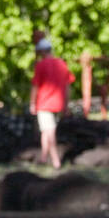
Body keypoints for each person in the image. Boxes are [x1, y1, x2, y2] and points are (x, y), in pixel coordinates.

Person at [29, 37, 74, 169]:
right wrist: (66, 104)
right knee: (45, 131)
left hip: (44, 104)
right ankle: (43, 158)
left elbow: (35, 86)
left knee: (49, 132)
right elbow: (68, 86)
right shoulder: (62, 63)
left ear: (42, 52)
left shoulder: (41, 65)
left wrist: (32, 103)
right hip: (58, 103)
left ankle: (55, 161)